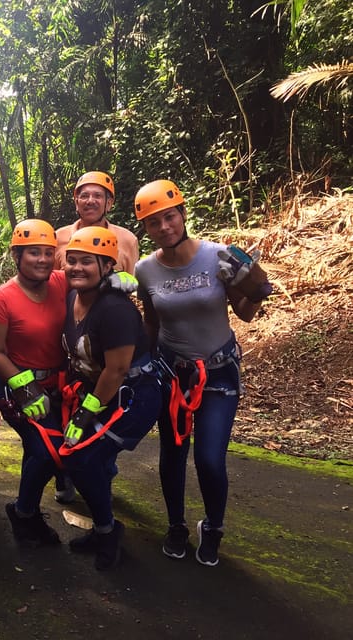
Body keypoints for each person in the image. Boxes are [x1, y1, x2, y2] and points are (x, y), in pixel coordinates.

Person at [134, 179, 269, 567]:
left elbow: (243, 311)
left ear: (183, 214)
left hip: (219, 372)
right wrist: (142, 365)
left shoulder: (219, 257)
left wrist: (257, 288)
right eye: (154, 222)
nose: (164, 227)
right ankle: (175, 525)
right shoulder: (145, 270)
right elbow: (151, 322)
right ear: (146, 229)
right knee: (173, 453)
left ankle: (212, 528)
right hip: (171, 372)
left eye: (169, 217)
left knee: (210, 458)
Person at [59, 227, 162, 570]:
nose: (76, 267)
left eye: (87, 261)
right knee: (88, 461)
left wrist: (84, 415)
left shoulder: (114, 309)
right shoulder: (72, 298)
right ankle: (104, 526)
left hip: (134, 396)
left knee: (83, 458)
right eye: (71, 260)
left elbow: (117, 369)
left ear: (106, 267)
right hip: (103, 392)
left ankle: (107, 530)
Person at [0, 219, 68, 547]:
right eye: (34, 253)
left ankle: (25, 509)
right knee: (49, 452)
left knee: (41, 451)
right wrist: (24, 387)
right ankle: (25, 513)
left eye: (48, 253)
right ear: (17, 256)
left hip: (58, 383)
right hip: (16, 386)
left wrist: (114, 280)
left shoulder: (62, 283)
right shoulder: (1, 300)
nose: (43, 259)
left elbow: (91, 278)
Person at [55, 171, 140, 274]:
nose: (90, 201)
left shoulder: (127, 240)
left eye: (97, 196)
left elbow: (133, 286)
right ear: (76, 202)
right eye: (84, 196)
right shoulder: (58, 238)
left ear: (108, 203)